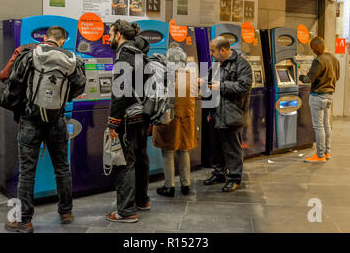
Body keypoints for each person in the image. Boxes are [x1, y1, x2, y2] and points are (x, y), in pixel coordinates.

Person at [0, 26, 86, 233]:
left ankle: (25, 220)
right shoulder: (72, 60)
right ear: (62, 40)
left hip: (30, 120)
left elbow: (11, 81)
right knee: (62, 167)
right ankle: (66, 211)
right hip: (57, 120)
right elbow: (80, 86)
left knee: (27, 172)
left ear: (45, 38)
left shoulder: (29, 55)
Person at [106, 19, 151, 223]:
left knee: (124, 162)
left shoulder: (125, 54)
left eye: (110, 33)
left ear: (119, 34)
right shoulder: (140, 53)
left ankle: (126, 211)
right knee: (141, 157)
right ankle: (142, 200)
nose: (108, 37)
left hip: (127, 117)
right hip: (142, 113)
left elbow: (120, 92)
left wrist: (113, 121)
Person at [198, 36, 252, 192]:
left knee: (232, 148)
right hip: (216, 112)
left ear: (222, 50)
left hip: (232, 114)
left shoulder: (242, 65)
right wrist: (202, 81)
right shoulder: (217, 64)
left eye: (212, 51)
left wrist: (220, 86)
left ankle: (235, 178)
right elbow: (209, 79)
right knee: (216, 146)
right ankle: (219, 173)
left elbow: (243, 87)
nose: (211, 54)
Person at [153, 43, 197, 197]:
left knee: (168, 152)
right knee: (184, 151)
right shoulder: (191, 74)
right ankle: (186, 185)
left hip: (169, 119)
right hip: (186, 118)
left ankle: (169, 186)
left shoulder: (167, 76)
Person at [299, 37, 340, 163]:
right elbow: (337, 77)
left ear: (316, 47)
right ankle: (327, 152)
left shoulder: (318, 61)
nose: (312, 51)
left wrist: (300, 75)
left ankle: (320, 155)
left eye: (312, 48)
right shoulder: (333, 58)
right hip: (329, 96)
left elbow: (308, 79)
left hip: (318, 96)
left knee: (318, 126)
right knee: (326, 124)